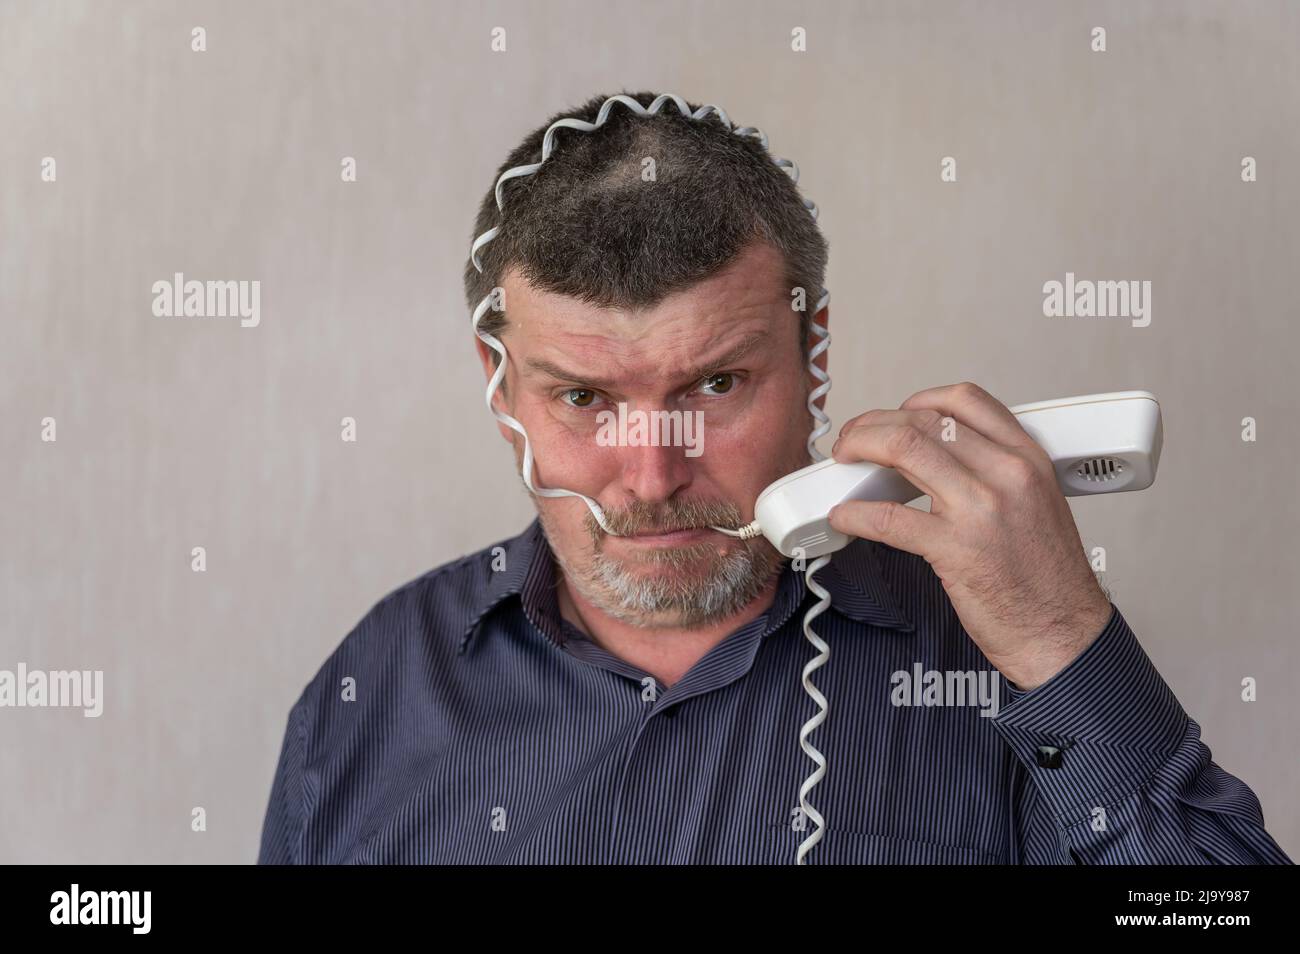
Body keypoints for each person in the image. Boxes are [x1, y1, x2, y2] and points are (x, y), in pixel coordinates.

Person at [257, 90, 1290, 864]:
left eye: (714, 382)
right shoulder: (372, 694)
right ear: (501, 384)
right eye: (582, 398)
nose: (652, 477)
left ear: (812, 355)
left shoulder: (987, 658)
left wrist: (1064, 643)